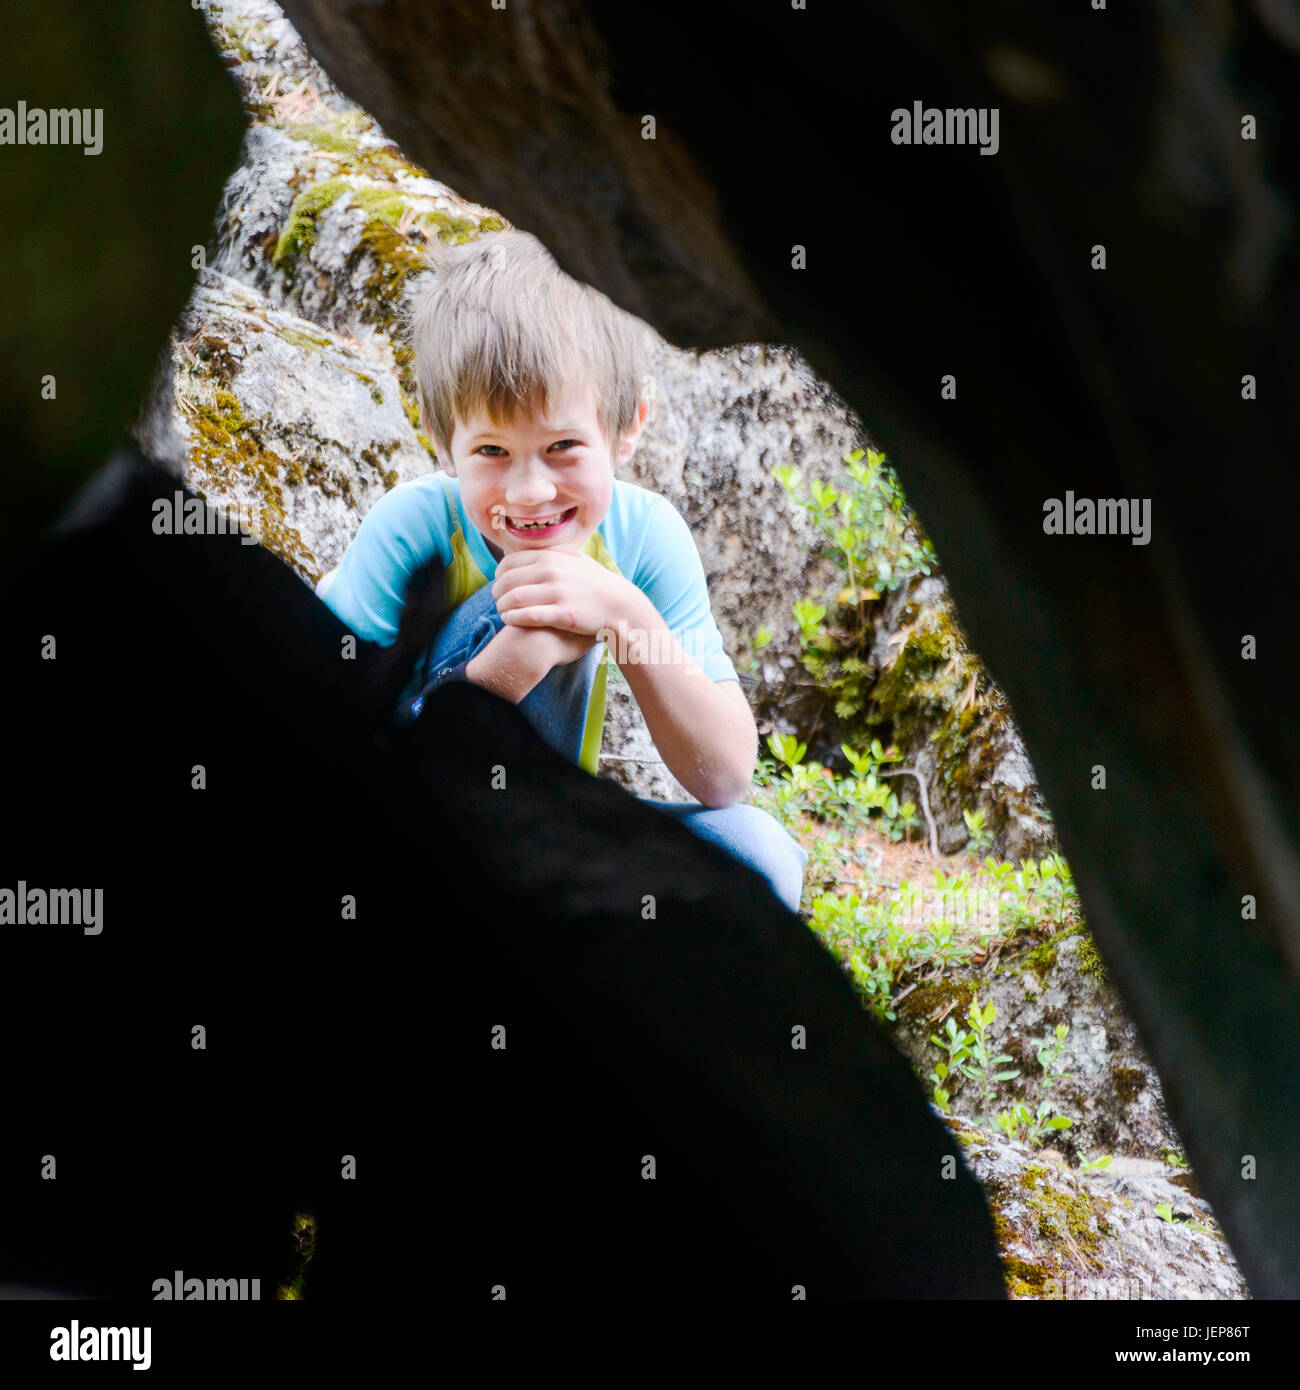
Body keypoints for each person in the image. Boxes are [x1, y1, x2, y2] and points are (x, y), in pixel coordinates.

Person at [317, 229, 808, 912]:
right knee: (525, 597)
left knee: (760, 856)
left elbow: (723, 776)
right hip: (408, 841)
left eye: (562, 446)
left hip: (546, 843)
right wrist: (519, 655)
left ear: (627, 427)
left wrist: (623, 614)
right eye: (491, 449)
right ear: (440, 439)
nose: (529, 492)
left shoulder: (646, 535)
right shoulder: (410, 530)